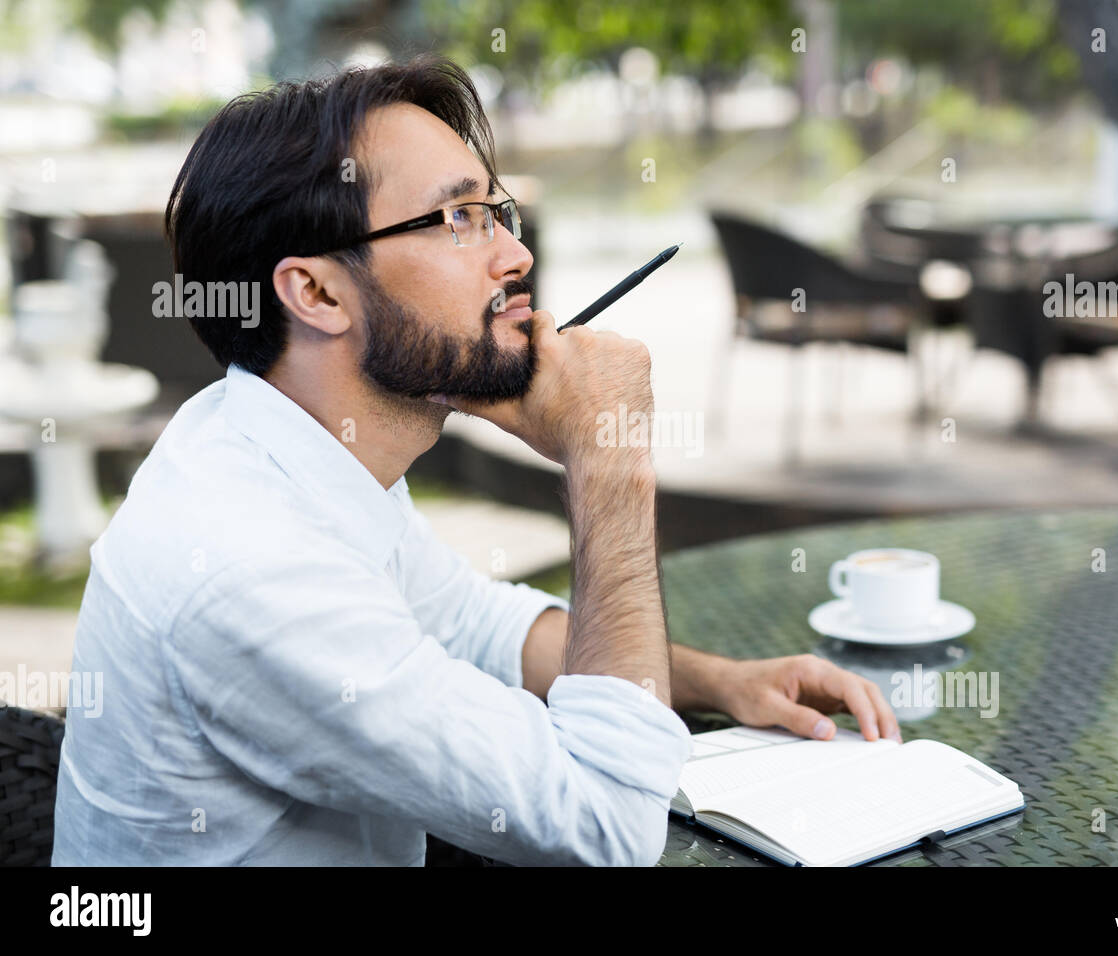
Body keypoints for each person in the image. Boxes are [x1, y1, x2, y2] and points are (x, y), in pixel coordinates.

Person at [52, 54, 898, 867]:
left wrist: (723, 682)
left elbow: (478, 629)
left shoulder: (279, 439)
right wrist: (608, 461)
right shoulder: (251, 571)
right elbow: (607, 824)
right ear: (316, 293)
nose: (514, 256)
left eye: (497, 212)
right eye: (457, 219)